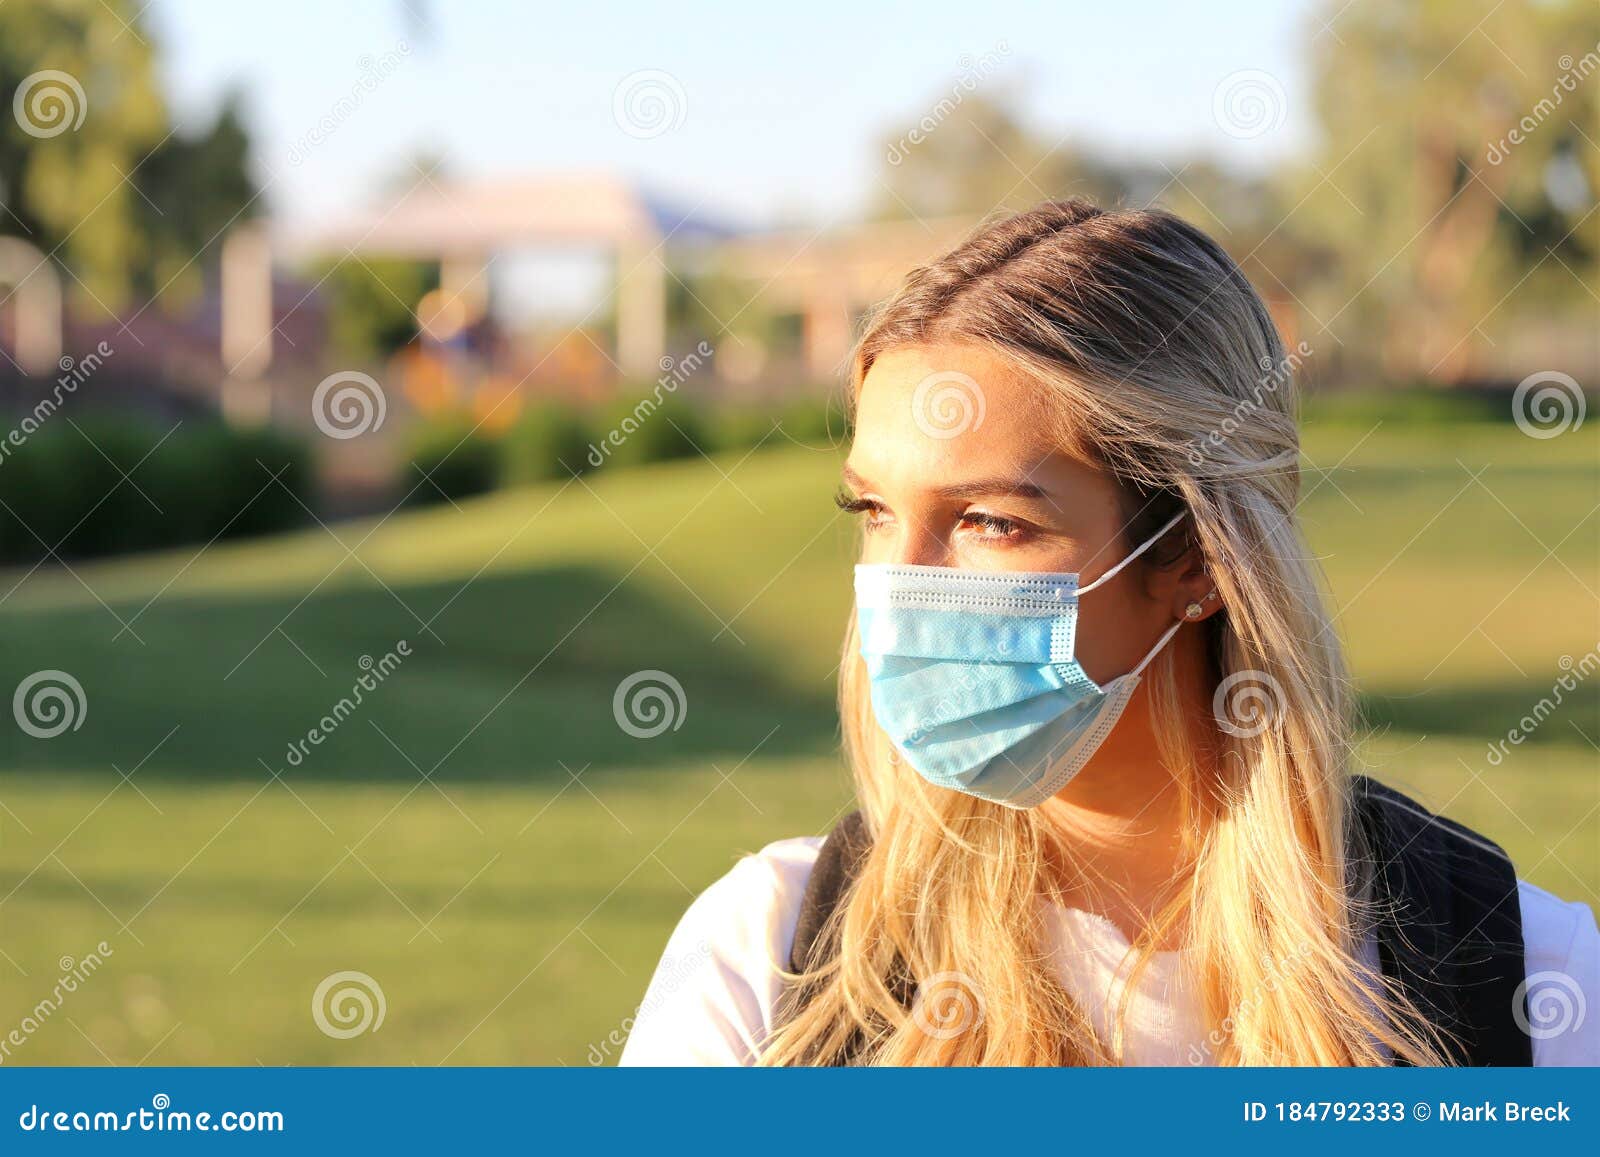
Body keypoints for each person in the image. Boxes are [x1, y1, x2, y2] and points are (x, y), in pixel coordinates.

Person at [619, 199, 1598, 1066]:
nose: (897, 588)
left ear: (1194, 558)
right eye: (872, 512)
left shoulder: (1515, 978)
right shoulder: (768, 958)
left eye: (988, 521)